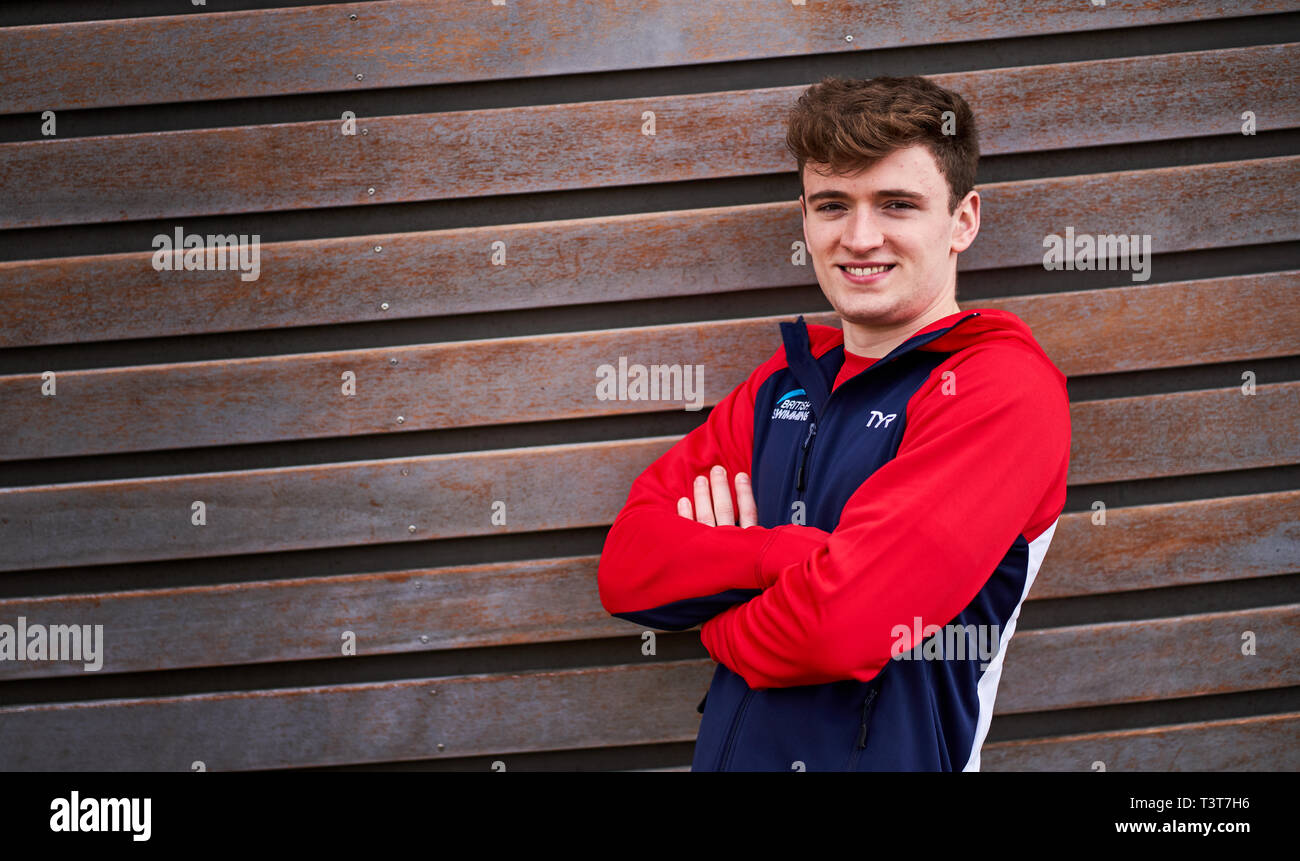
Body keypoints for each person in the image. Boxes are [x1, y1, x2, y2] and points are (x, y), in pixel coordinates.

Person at [597, 75, 1071, 771]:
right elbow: (629, 568)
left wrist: (716, 613)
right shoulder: (782, 383)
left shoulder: (1000, 387)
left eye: (897, 204)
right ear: (805, 218)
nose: (859, 236)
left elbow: (835, 627)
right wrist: (782, 557)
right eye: (832, 205)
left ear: (963, 220)